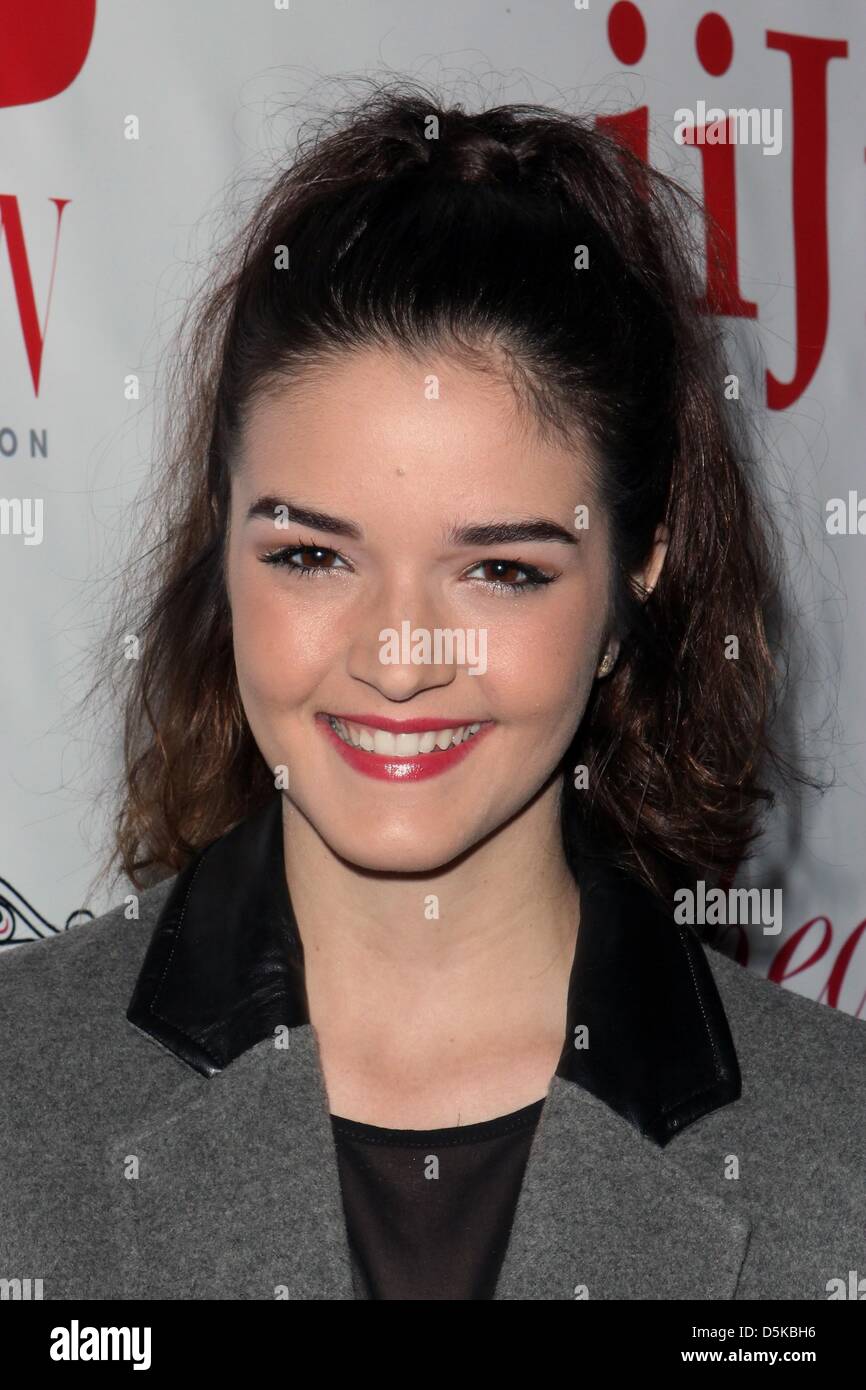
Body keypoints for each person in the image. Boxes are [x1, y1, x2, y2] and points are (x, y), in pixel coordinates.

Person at [2, 82, 865, 1303]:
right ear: (221, 540)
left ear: (636, 574)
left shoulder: (838, 1156)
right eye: (312, 555)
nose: (399, 658)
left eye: (500, 570)